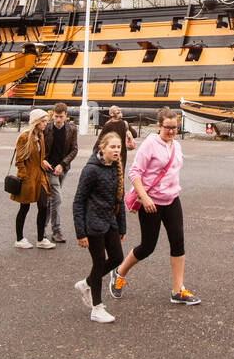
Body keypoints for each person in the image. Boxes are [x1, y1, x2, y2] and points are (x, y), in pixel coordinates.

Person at [109, 107, 201, 306]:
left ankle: (178, 290)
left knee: (178, 241)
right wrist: (145, 198)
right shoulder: (150, 144)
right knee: (147, 246)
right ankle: (120, 272)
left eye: (175, 128)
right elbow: (134, 173)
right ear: (159, 126)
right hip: (150, 202)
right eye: (168, 128)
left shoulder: (176, 145)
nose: (172, 132)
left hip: (172, 199)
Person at [73, 131, 127, 324]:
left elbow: (118, 199)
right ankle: (97, 307)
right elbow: (78, 201)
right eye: (112, 147)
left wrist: (122, 227)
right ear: (102, 148)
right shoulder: (91, 170)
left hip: (109, 221)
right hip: (93, 223)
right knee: (98, 263)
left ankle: (86, 283)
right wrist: (80, 232)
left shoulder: (114, 168)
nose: (116, 150)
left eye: (119, 147)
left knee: (117, 258)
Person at [10, 108, 53, 249]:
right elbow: (19, 160)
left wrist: (43, 163)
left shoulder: (40, 135)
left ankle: (41, 238)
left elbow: (40, 156)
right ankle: (19, 238)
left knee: (43, 206)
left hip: (39, 175)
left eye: (46, 121)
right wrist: (24, 176)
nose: (46, 123)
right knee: (24, 207)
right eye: (43, 121)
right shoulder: (24, 137)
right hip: (28, 176)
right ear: (36, 122)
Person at [41, 102, 77, 245]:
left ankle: (42, 227)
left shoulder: (72, 130)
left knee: (51, 200)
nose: (58, 120)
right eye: (56, 116)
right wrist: (43, 160)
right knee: (57, 198)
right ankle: (56, 230)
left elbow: (74, 149)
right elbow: (41, 147)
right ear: (52, 114)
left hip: (62, 168)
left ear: (66, 116)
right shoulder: (47, 129)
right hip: (49, 169)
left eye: (61, 117)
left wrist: (62, 165)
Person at [93, 105, 138, 171]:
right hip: (122, 154)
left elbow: (100, 139)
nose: (120, 114)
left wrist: (95, 151)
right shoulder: (125, 124)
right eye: (118, 112)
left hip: (111, 153)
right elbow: (135, 134)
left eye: (120, 112)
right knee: (120, 174)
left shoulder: (108, 125)